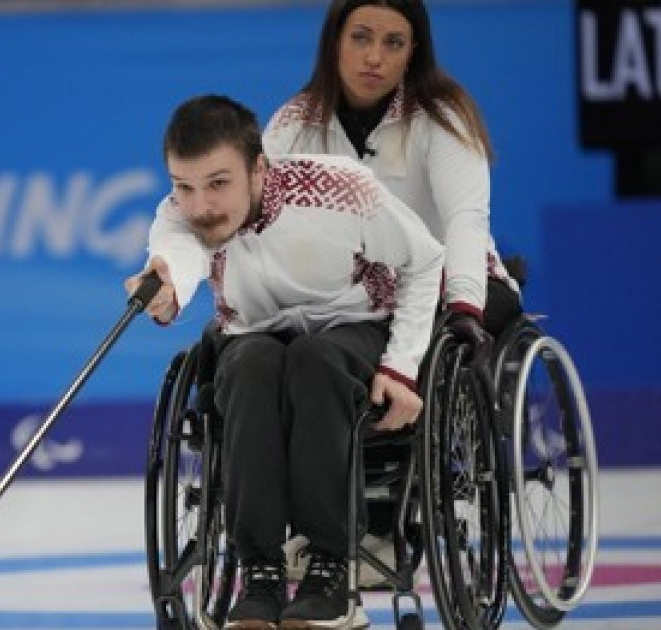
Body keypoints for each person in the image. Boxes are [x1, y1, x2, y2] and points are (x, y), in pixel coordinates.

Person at [124, 94, 443, 630]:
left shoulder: (340, 190)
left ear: (258, 167)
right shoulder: (183, 215)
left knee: (316, 360)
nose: (201, 205)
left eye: (219, 183)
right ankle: (260, 570)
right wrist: (166, 286)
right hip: (257, 336)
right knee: (249, 366)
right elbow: (179, 254)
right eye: (184, 186)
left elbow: (425, 258)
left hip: (355, 326)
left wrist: (403, 366)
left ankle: (329, 568)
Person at [262, 0, 524, 586]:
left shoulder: (443, 116)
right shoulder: (292, 124)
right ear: (334, 42)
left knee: (410, 346)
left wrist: (462, 307)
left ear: (414, 51)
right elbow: (263, 223)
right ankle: (325, 523)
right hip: (350, 301)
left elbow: (464, 221)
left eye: (393, 42)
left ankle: (382, 517)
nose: (375, 56)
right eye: (361, 37)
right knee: (297, 355)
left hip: (454, 283)